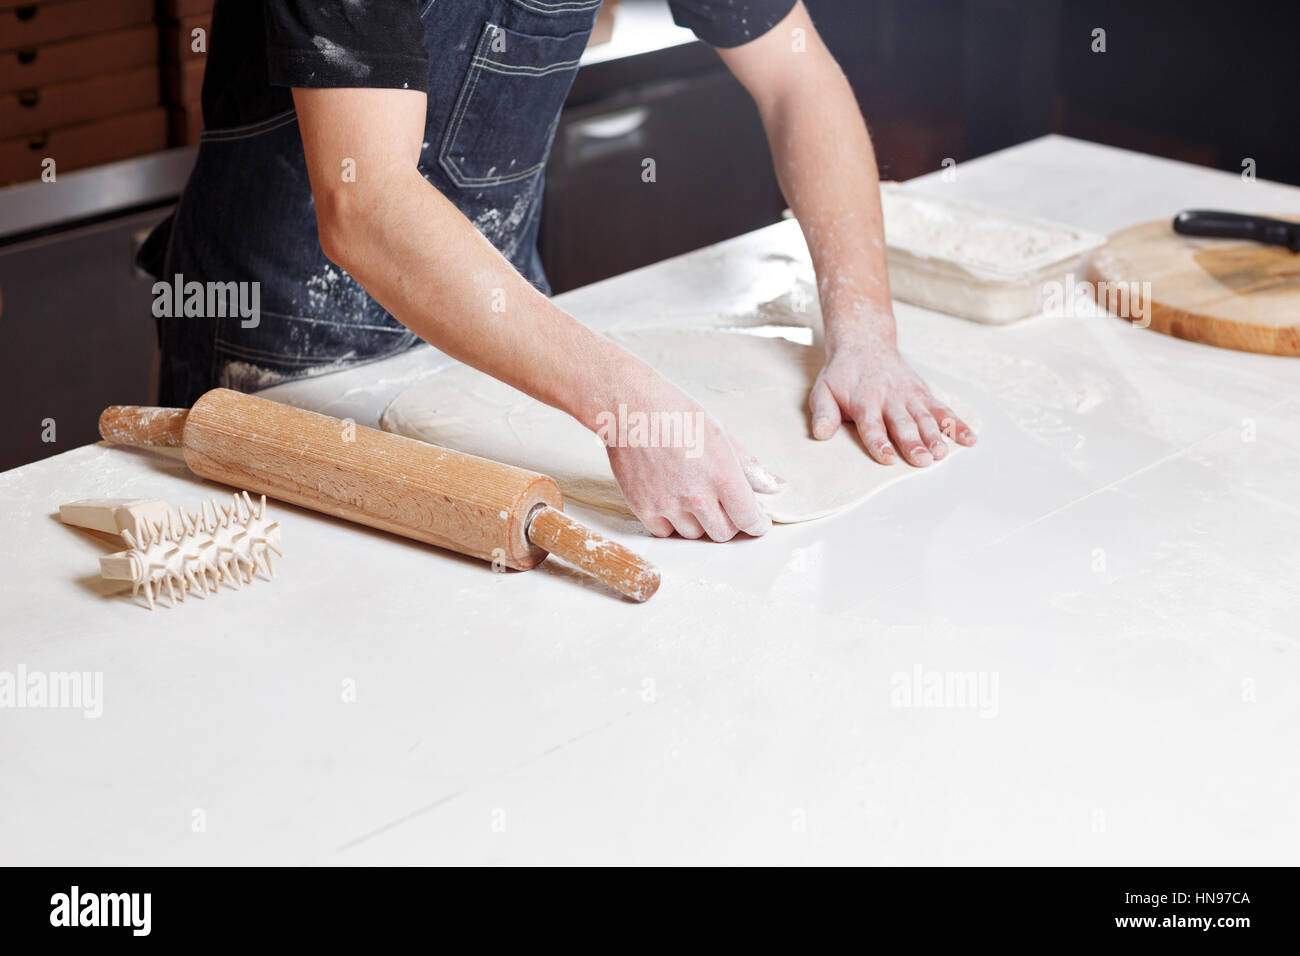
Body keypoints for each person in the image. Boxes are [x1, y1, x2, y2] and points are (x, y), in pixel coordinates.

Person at [141, 0, 976, 542]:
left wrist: (864, 329)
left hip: (505, 337)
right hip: (290, 351)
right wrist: (627, 404)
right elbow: (366, 205)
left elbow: (797, 78)